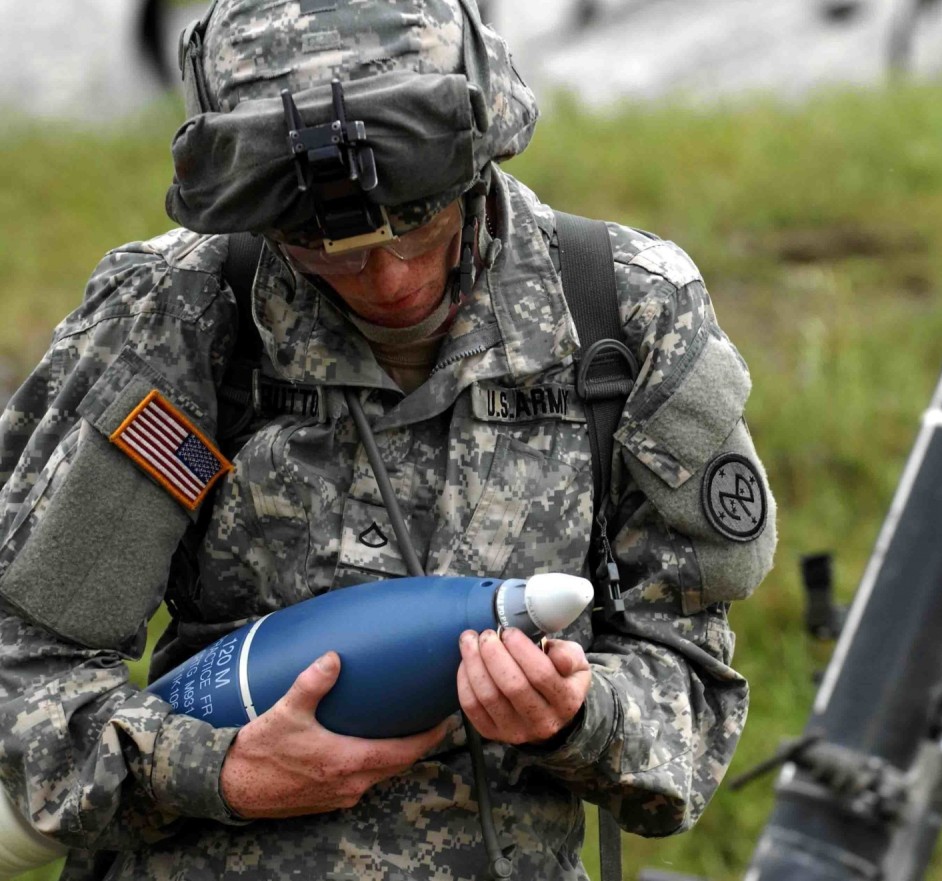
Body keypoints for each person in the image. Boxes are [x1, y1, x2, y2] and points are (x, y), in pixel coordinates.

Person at [0, 0, 777, 879]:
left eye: (418, 219)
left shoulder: (620, 318)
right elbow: (23, 666)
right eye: (322, 246)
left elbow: (690, 691)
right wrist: (216, 770)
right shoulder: (179, 317)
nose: (387, 277)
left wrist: (576, 715)